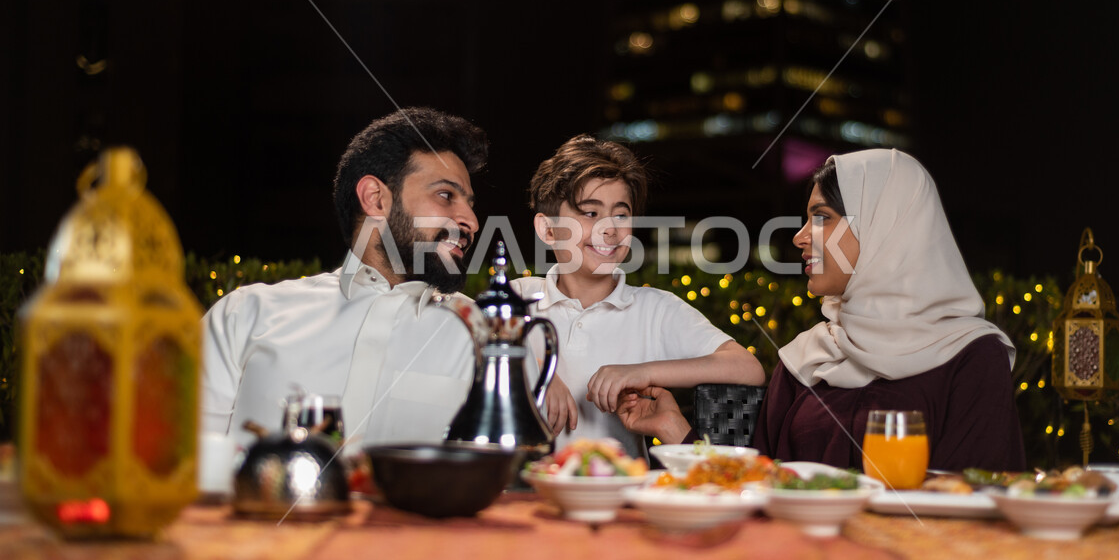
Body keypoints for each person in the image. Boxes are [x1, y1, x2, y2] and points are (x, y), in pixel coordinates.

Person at [617, 148, 1026, 472]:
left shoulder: (970, 356)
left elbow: (971, 502)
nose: (799, 237)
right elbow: (760, 482)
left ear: (885, 228)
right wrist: (674, 428)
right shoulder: (807, 357)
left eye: (821, 217)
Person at [202, 107, 487, 451]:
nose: (470, 220)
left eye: (469, 203)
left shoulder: (483, 336)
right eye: (446, 195)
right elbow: (182, 460)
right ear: (375, 199)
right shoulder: (244, 315)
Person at [511, 134, 765, 457]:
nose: (610, 229)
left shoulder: (654, 310)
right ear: (547, 230)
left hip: (625, 501)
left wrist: (641, 371)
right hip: (525, 499)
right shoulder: (517, 297)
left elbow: (747, 368)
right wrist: (537, 372)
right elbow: (465, 340)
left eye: (621, 214)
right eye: (590, 213)